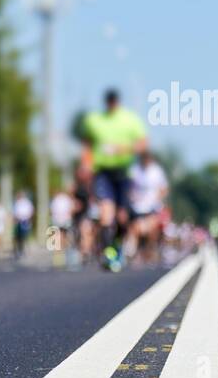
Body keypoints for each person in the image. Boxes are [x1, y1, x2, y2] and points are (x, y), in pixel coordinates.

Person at [79, 87, 148, 272]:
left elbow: (142, 144)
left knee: (123, 218)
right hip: (103, 173)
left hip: (124, 173)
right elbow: (87, 144)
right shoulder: (95, 121)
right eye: (109, 101)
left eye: (114, 101)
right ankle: (108, 253)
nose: (111, 104)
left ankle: (118, 246)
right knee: (106, 216)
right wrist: (86, 164)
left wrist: (122, 149)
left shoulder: (130, 120)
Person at [126, 149, 170, 264]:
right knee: (135, 228)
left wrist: (157, 198)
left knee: (151, 230)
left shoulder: (157, 171)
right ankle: (132, 252)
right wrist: (131, 196)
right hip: (137, 207)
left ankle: (150, 250)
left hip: (152, 207)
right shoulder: (134, 170)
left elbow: (164, 189)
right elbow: (128, 187)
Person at [50, 186, 74, 256]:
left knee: (62, 235)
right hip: (60, 220)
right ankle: (60, 250)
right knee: (60, 235)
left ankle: (61, 250)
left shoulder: (63, 199)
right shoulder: (59, 199)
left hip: (63, 220)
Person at [12, 189, 34, 259]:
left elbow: (31, 211)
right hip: (18, 221)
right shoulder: (17, 202)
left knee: (24, 236)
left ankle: (23, 249)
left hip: (25, 221)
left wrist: (29, 219)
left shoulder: (27, 202)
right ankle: (18, 250)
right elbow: (14, 212)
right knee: (18, 237)